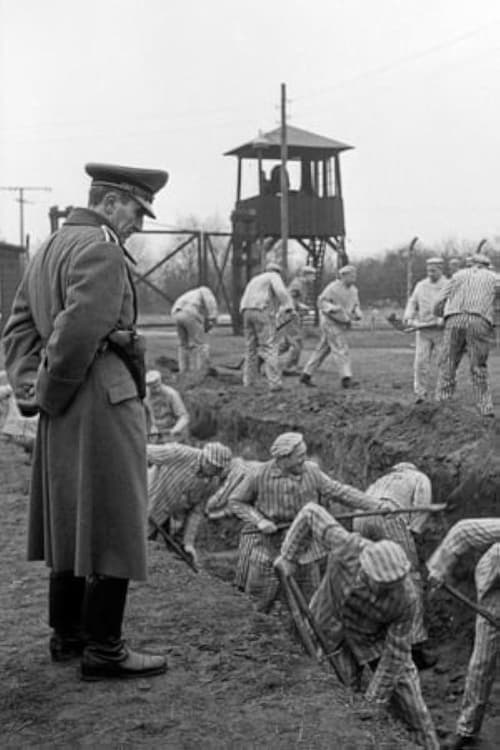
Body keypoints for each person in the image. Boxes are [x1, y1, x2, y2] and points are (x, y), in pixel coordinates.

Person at [2, 162, 169, 680]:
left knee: (71, 515)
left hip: (65, 403)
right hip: (101, 397)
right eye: (137, 211)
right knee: (115, 517)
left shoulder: (51, 246)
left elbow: (19, 329)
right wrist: (50, 388)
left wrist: (33, 389)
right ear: (113, 200)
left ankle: (68, 636)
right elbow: (77, 332)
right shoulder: (99, 247)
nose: (137, 224)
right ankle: (104, 649)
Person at [275, 503, 439, 749]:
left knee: (415, 711)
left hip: (377, 642)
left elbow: (395, 656)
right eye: (383, 584)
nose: (390, 589)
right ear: (366, 569)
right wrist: (289, 556)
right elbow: (311, 512)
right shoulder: (348, 546)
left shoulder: (407, 598)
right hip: (332, 631)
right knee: (340, 701)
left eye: (395, 583)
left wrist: (373, 702)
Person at [220, 432, 385, 612]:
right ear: (283, 458)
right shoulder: (258, 474)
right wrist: (259, 521)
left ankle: (303, 637)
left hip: (305, 554)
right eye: (300, 457)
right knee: (258, 605)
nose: (304, 460)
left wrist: (375, 505)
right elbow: (236, 501)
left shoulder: (311, 471)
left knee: (310, 607)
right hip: (267, 551)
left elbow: (341, 492)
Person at [427, 519, 500, 749]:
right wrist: (439, 568)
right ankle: (466, 730)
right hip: (495, 586)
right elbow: (464, 531)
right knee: (483, 660)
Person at [147, 441, 232, 568]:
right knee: (139, 545)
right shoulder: (179, 453)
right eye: (216, 468)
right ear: (206, 460)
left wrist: (188, 543)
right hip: (145, 502)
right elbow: (140, 450)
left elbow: (196, 512)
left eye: (220, 469)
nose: (217, 472)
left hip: (168, 514)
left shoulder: (211, 482)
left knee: (169, 554)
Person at [434, 253, 497, 417]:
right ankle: (485, 409)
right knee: (478, 366)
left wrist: (441, 316)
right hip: (479, 320)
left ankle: (442, 405)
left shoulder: (457, 275)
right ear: (487, 266)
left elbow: (439, 301)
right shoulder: (494, 277)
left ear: (472, 265)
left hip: (453, 319)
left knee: (448, 363)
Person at [300, 264, 362, 389]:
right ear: (343, 276)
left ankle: (306, 375)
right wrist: (331, 308)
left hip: (342, 323)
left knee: (322, 350)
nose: (354, 277)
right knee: (341, 348)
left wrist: (357, 313)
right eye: (351, 275)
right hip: (330, 322)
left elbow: (355, 305)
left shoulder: (354, 290)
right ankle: (346, 378)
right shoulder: (333, 288)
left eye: (354, 275)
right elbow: (321, 301)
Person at [239, 261, 294, 392]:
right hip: (260, 310)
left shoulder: (255, 279)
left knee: (250, 348)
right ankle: (275, 383)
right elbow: (281, 291)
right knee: (269, 346)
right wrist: (289, 306)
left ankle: (248, 381)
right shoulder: (273, 276)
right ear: (277, 272)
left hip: (246, 311)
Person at [403, 257, 447, 403]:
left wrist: (445, 317)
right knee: (420, 362)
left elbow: (454, 304)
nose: (430, 273)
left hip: (441, 331)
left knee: (443, 363)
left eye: (433, 270)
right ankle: (420, 393)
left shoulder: (449, 285)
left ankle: (442, 394)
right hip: (423, 330)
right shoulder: (421, 285)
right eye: (428, 270)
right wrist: (409, 317)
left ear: (440, 270)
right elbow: (413, 302)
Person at [171, 285, 218, 380]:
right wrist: (213, 319)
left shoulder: (191, 293)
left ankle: (184, 370)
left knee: (183, 345)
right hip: (189, 313)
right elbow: (211, 305)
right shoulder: (205, 291)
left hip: (176, 314)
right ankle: (202, 371)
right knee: (201, 344)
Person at [278, 266, 315, 374]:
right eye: (312, 276)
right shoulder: (297, 285)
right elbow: (288, 298)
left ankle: (262, 358)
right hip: (290, 314)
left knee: (285, 345)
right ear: (306, 275)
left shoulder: (302, 285)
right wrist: (300, 305)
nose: (314, 279)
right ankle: (289, 367)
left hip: (291, 314)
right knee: (297, 342)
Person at [144, 369, 189, 442]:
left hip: (174, 432)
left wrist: (175, 429)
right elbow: (145, 415)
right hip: (157, 434)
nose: (157, 389)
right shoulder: (145, 397)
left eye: (158, 386)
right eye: (153, 388)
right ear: (148, 386)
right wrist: (152, 427)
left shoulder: (171, 394)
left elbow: (184, 417)